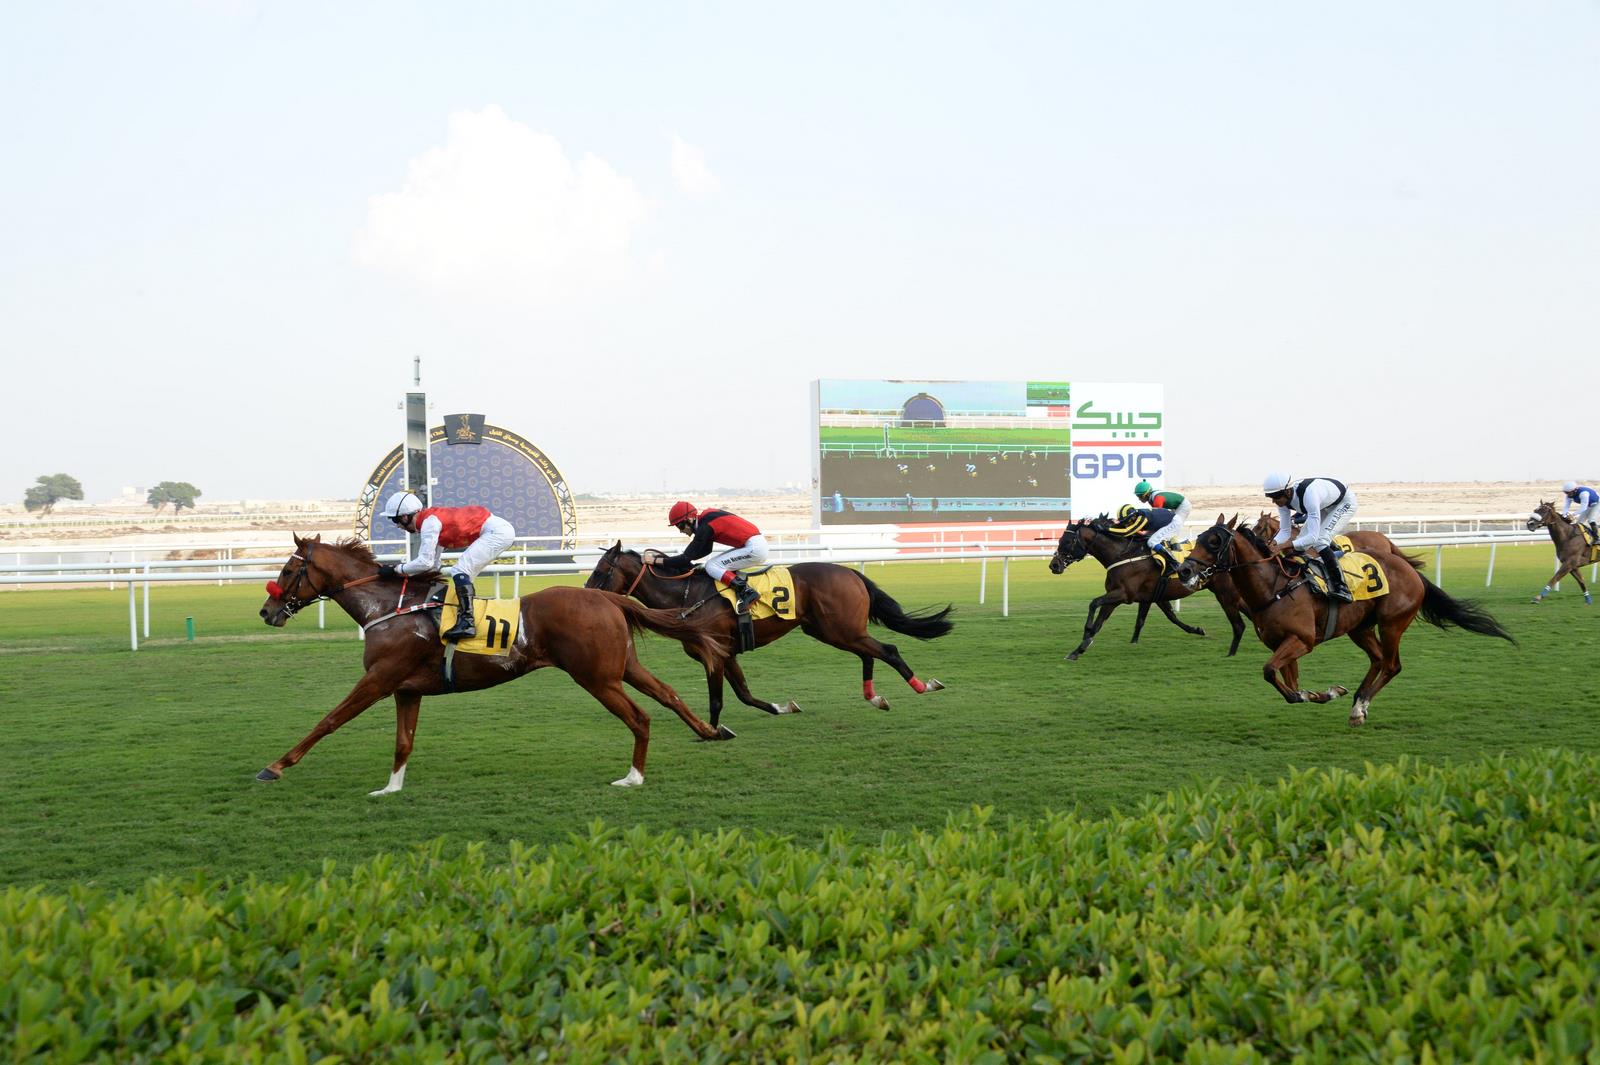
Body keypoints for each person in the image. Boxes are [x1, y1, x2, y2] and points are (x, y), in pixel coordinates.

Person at [378, 492, 516, 641]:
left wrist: (395, 570)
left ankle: (467, 623)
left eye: (395, 520)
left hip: (497, 532)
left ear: (405, 517)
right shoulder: (429, 521)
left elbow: (425, 562)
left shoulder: (429, 523)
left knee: (460, 571)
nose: (397, 526)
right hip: (496, 530)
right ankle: (452, 614)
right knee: (463, 573)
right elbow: (433, 567)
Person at [1262, 472, 1357, 602]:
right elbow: (1284, 531)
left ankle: (1342, 588)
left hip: (1343, 503)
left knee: (1320, 541)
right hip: (1323, 504)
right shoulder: (1283, 501)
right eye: (1270, 497)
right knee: (1301, 543)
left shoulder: (1309, 495)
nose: (1274, 501)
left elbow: (1312, 537)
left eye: (1276, 496)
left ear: (1288, 491)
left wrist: (1283, 546)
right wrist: (1273, 543)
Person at [664, 501, 768, 612]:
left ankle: (747, 592)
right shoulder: (706, 520)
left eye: (680, 525)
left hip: (755, 548)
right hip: (754, 545)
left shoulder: (705, 526)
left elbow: (685, 557)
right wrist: (691, 564)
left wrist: (657, 561)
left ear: (689, 519)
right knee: (711, 565)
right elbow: (706, 550)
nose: (680, 531)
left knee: (712, 565)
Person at [1135, 481, 1190, 564]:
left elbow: (1157, 517)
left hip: (1182, 507)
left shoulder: (1157, 499)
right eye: (1137, 496)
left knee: (1171, 530)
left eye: (1140, 496)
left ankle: (1175, 558)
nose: (1139, 498)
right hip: (1176, 506)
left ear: (1146, 494)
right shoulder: (1152, 498)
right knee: (1166, 531)